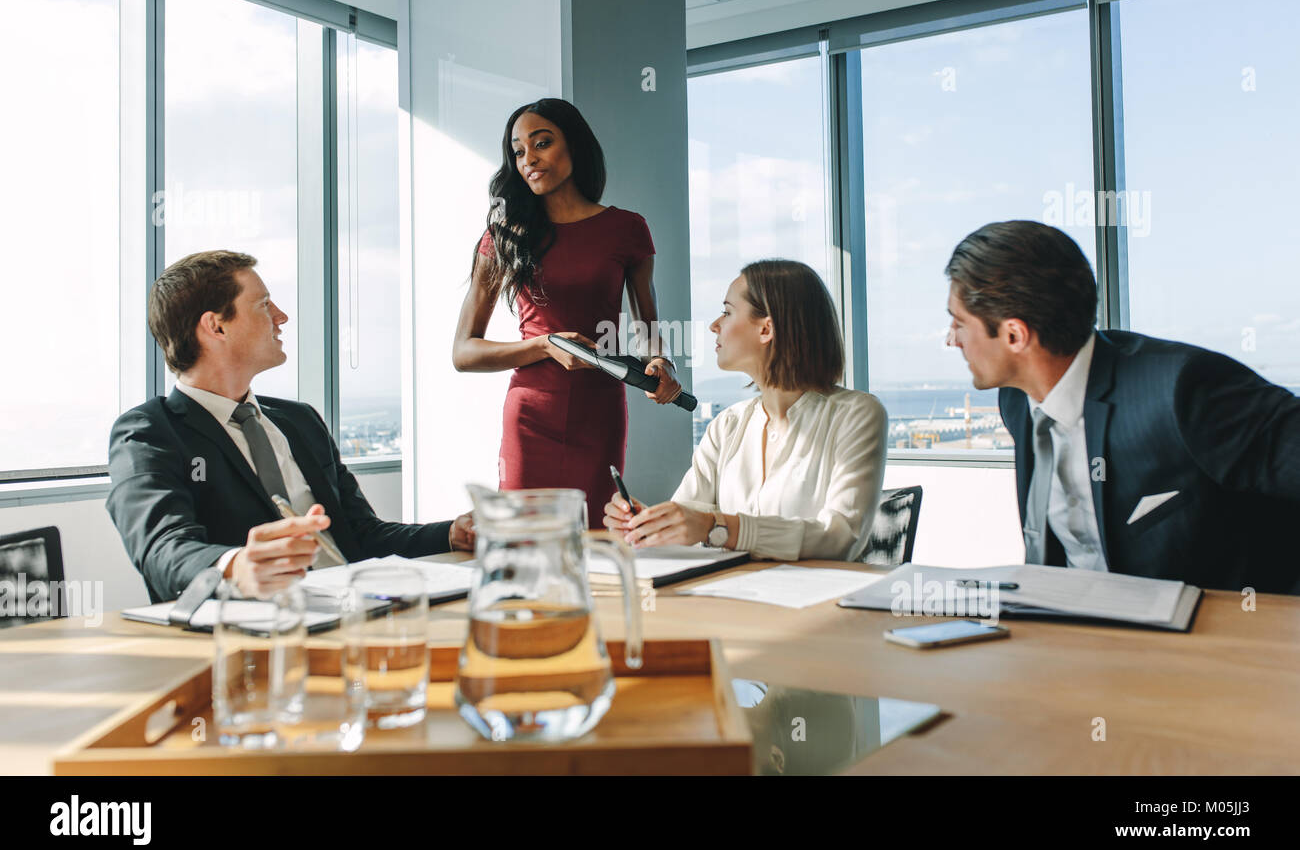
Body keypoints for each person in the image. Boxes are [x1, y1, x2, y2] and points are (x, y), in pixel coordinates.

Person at [944, 220, 1300, 594]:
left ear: (1014, 335)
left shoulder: (1183, 389)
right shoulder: (1016, 399)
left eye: (959, 323)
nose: (952, 340)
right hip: (1067, 630)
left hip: (1210, 637)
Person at [107, 250, 474, 602]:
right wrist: (235, 567)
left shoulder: (299, 421)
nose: (281, 317)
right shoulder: (147, 435)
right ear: (216, 325)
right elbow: (162, 549)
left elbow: (362, 535)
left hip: (360, 612)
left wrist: (451, 534)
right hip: (260, 634)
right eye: (264, 305)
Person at [453, 98, 683, 516]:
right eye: (518, 151)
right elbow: (463, 353)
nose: (528, 160)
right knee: (524, 544)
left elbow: (647, 328)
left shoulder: (626, 229)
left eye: (541, 143)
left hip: (600, 412)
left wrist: (662, 365)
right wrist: (543, 345)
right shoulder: (504, 237)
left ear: (574, 146)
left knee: (595, 538)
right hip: (530, 415)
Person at [604, 259, 887, 561]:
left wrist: (721, 527)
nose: (715, 325)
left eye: (727, 312)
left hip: (816, 604)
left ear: (766, 328)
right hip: (731, 601)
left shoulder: (857, 415)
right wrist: (647, 526)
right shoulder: (726, 426)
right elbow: (690, 521)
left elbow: (843, 538)